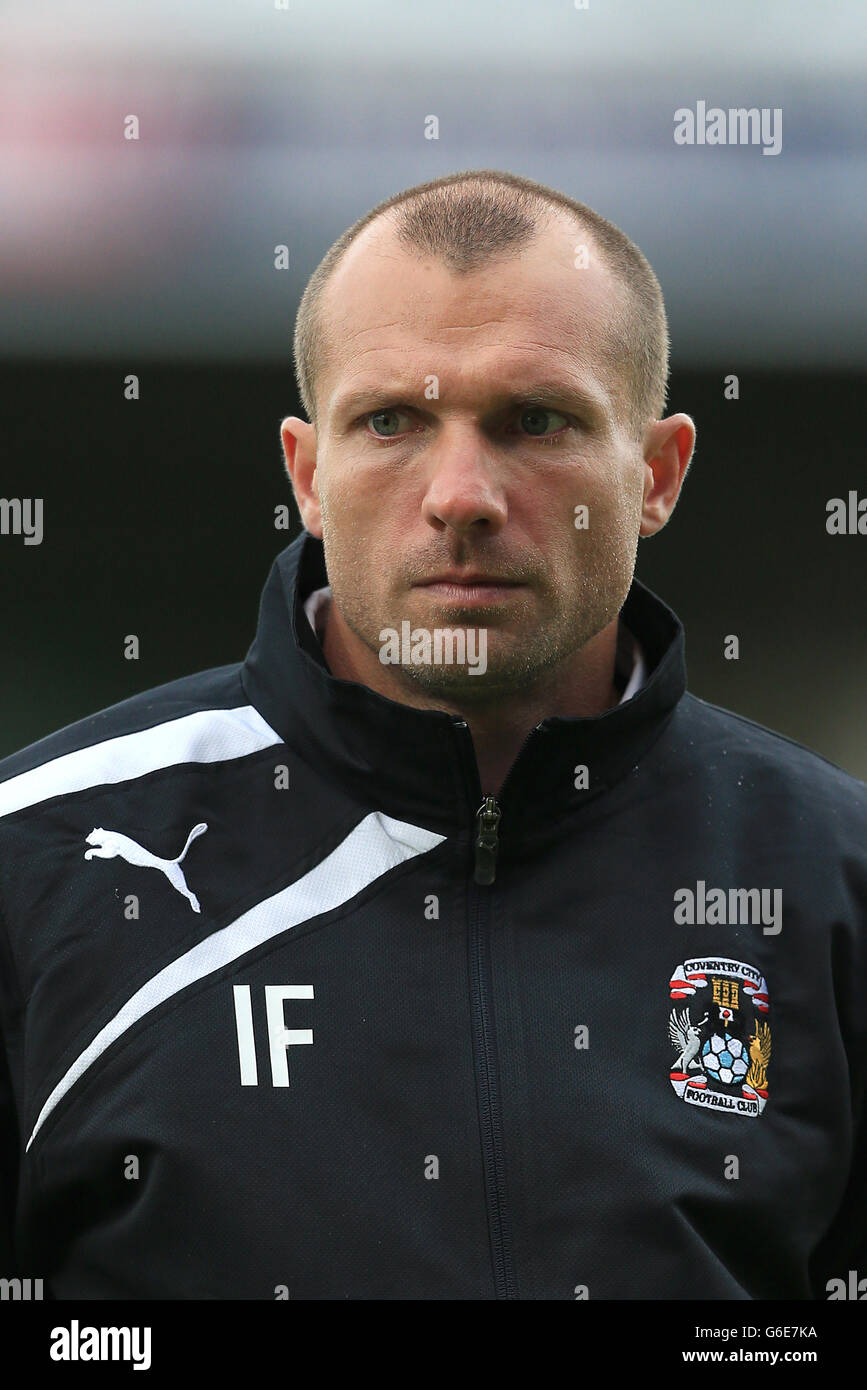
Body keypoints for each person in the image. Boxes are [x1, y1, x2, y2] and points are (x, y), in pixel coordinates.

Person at [0, 169, 864, 1301]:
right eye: (393, 421)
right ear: (308, 476)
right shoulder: (36, 863)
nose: (462, 493)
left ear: (656, 475)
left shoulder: (835, 882)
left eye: (536, 420)